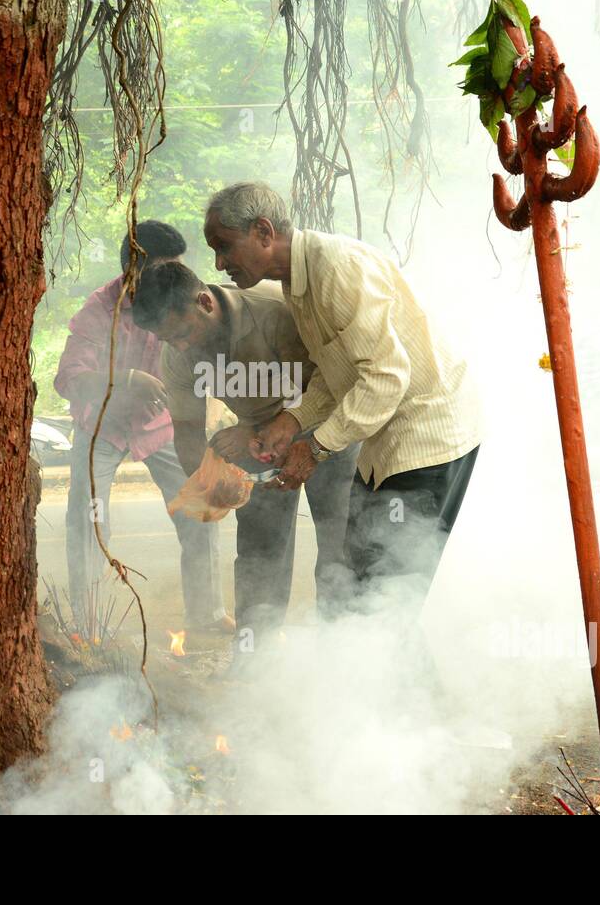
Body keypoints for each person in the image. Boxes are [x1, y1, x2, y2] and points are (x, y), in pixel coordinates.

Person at [202, 181, 483, 618]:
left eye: (224, 247)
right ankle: (377, 685)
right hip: (387, 445)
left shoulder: (336, 267)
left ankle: (396, 688)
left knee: (381, 603)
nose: (219, 263)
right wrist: (291, 422)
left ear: (262, 232)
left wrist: (314, 448)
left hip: (426, 440)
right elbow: (339, 373)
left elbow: (386, 377)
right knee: (358, 591)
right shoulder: (298, 284)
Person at [130, 258, 358, 638]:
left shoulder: (274, 312)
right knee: (259, 554)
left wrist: (254, 427)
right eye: (170, 339)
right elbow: (186, 432)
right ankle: (254, 660)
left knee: (340, 550)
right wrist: (210, 482)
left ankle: (346, 655)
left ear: (204, 302)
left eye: (184, 332)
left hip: (327, 435)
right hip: (257, 444)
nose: (181, 346)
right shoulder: (177, 355)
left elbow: (326, 382)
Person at [53, 221, 232, 634]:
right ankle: (89, 625)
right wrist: (128, 379)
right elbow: (69, 377)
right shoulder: (101, 309)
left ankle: (206, 616)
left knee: (202, 506)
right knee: (88, 518)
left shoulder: (184, 299)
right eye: (165, 272)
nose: (176, 282)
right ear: (134, 271)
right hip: (102, 427)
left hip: (164, 426)